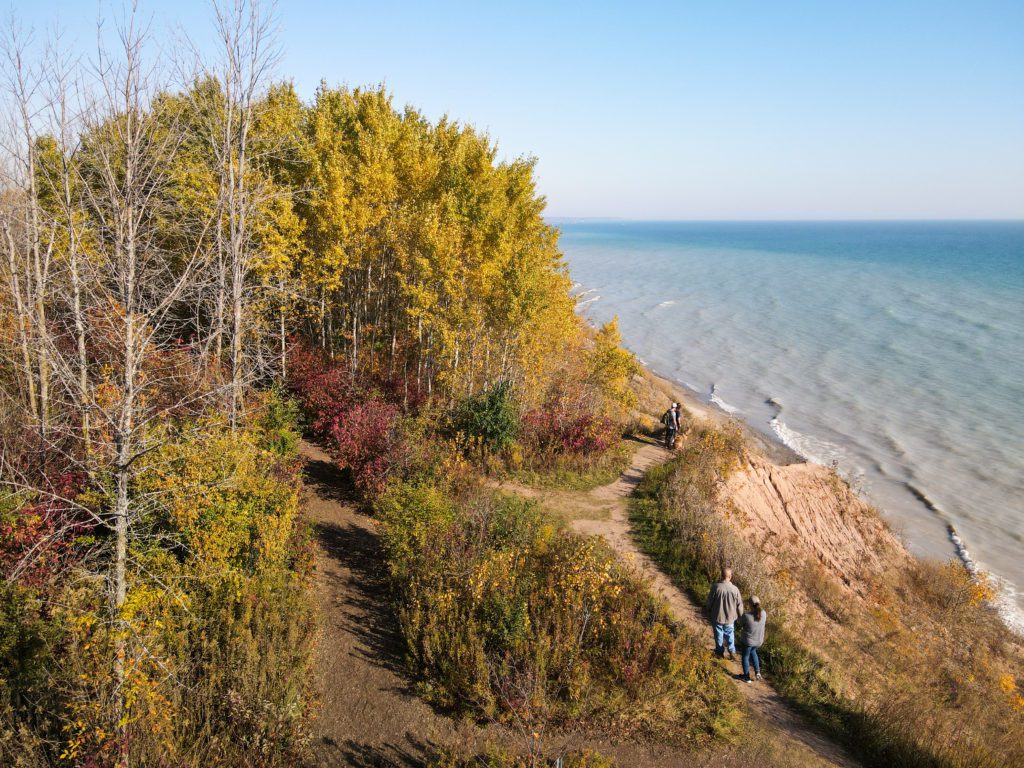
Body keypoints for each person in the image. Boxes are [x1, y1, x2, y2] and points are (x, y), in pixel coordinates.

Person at [705, 566, 743, 659]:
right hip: (730, 617)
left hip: (717, 616)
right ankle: (732, 651)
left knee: (719, 635)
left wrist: (708, 610)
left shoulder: (716, 587)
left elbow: (709, 601)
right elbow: (740, 605)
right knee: (730, 635)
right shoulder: (735, 589)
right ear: (730, 576)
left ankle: (719, 652)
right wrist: (740, 616)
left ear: (722, 576)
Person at [738, 596, 767, 683]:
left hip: (748, 641)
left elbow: (740, 623)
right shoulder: (764, 613)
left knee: (745, 656)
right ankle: (757, 672)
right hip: (758, 641)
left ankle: (746, 677)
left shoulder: (747, 616)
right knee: (753, 652)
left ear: (750, 605)